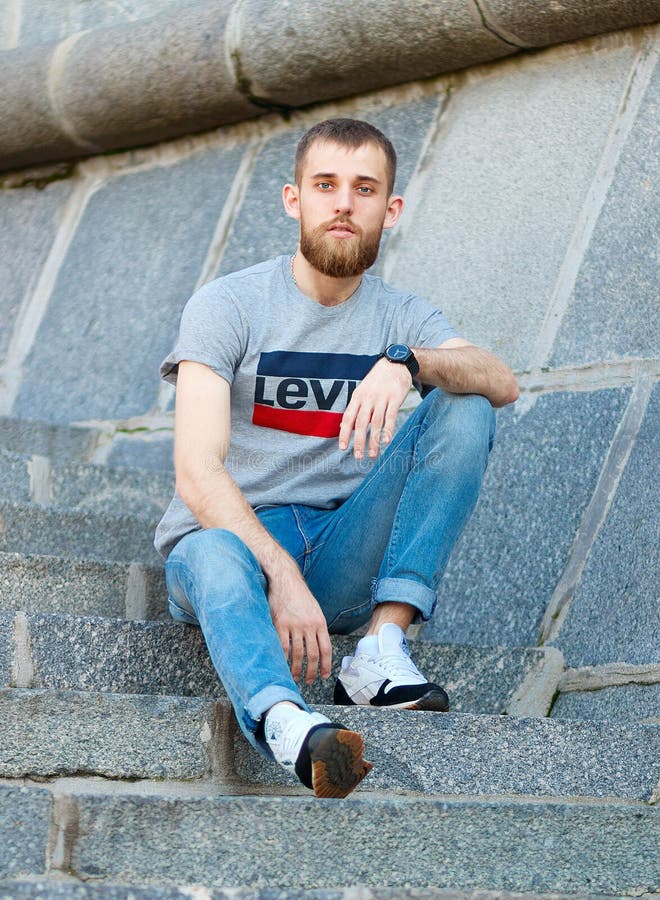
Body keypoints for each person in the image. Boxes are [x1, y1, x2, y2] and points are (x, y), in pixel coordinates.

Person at [155, 118, 519, 799]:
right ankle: (289, 723)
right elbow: (197, 473)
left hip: (338, 548)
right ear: (294, 199)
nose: (343, 204)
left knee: (465, 401)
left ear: (392, 209)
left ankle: (380, 648)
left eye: (364, 188)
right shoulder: (228, 304)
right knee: (209, 554)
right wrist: (282, 573)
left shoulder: (398, 314)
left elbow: (501, 380)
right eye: (325, 185)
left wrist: (409, 363)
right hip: (233, 548)